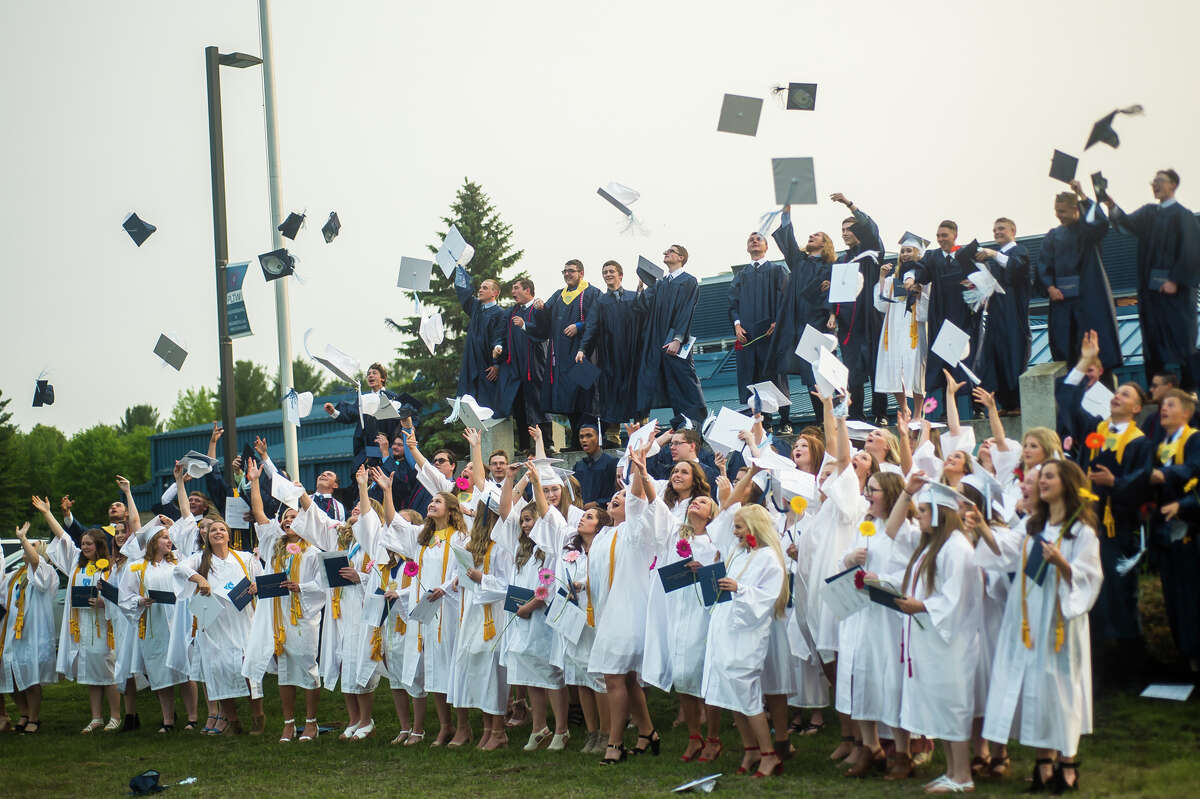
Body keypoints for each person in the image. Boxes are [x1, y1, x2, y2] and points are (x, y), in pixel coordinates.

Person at [980, 460, 1102, 794]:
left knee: (1062, 687)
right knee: (1037, 687)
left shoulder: (1082, 531)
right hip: (1031, 618)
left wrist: (1063, 565)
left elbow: (1091, 577)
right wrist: (981, 528)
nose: (1041, 482)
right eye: (1041, 477)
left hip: (1062, 618)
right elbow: (1005, 551)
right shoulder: (1033, 526)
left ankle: (1068, 762)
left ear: (1067, 483)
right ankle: (1043, 761)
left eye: (1049, 476)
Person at [889, 474, 984, 794]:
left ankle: (963, 776)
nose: (919, 516)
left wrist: (921, 605)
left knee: (953, 706)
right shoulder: (935, 545)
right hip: (932, 637)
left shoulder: (957, 548)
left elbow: (953, 599)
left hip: (951, 640)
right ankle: (952, 771)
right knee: (943, 706)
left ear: (941, 513)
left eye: (925, 511)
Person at [700, 499, 789, 779]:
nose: (735, 532)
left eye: (738, 527)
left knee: (747, 693)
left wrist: (740, 588)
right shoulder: (738, 553)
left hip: (747, 634)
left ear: (753, 527)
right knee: (730, 692)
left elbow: (767, 596)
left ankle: (769, 754)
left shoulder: (769, 558)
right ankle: (749, 748)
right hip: (725, 629)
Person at [243, 459, 326, 743]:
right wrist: (255, 480)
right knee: (285, 671)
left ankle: (311, 722)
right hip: (278, 617)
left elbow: (322, 586)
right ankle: (289, 723)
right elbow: (258, 512)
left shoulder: (313, 551)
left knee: (307, 666)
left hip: (302, 616)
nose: (288, 521)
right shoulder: (274, 544)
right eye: (285, 518)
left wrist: (300, 587)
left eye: (294, 517)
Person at [379, 486, 469, 747]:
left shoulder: (461, 536)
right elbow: (393, 521)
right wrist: (387, 491)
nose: (431, 504)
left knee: (451, 667)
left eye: (438, 501)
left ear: (451, 509)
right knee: (432, 669)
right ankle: (445, 727)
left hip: (448, 608)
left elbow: (463, 569)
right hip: (426, 610)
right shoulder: (421, 537)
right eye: (431, 500)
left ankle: (463, 726)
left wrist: (446, 585)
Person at [1103, 169, 1200, 388]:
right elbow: (1126, 224)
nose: (1154, 185)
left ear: (1173, 185)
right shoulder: (1149, 213)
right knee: (1153, 339)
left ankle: (1187, 389)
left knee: (1181, 339)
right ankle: (1156, 387)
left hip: (1176, 295)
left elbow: (1192, 251)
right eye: (1153, 181)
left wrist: (1175, 279)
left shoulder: (1184, 216)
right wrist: (1111, 205)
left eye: (1159, 181)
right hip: (1151, 293)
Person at [36, 494, 124, 732]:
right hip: (82, 626)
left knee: (108, 671)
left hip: (104, 627)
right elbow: (64, 538)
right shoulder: (76, 564)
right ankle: (96, 717)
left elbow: (121, 597)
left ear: (98, 545)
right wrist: (48, 513)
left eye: (89, 544)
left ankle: (115, 716)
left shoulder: (111, 568)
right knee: (89, 673)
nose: (84, 547)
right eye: (83, 544)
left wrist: (105, 604)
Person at [1036, 180, 1122, 377]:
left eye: (1063, 211)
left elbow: (1101, 222)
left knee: (1095, 346)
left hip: (1089, 299)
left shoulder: (1088, 232)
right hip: (1063, 304)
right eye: (1057, 211)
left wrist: (1082, 194)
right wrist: (1049, 287)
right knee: (1067, 348)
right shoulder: (1053, 236)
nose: (1059, 215)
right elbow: (1043, 265)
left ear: (1076, 209)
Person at [1148, 388, 1200, 679]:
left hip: (1190, 528)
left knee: (1191, 594)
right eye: (1162, 405)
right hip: (1166, 533)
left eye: (1171, 404)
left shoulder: (1194, 439)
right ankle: (1184, 657)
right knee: (1174, 596)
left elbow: (1195, 468)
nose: (1163, 409)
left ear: (1187, 412)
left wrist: (1165, 476)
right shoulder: (1162, 444)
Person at [770, 207, 835, 420]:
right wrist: (786, 215)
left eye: (817, 235)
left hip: (820, 323)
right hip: (798, 325)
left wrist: (832, 303)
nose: (811, 236)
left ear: (825, 244)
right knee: (809, 376)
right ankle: (820, 419)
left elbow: (840, 293)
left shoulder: (832, 267)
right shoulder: (799, 262)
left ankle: (832, 418)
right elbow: (788, 241)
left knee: (823, 373)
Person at [528, 259, 601, 448]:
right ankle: (577, 441)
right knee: (570, 399)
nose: (567, 274)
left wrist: (579, 326)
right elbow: (545, 319)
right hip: (562, 356)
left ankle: (590, 442)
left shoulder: (592, 293)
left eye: (572, 271)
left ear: (581, 273)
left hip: (584, 354)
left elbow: (599, 320)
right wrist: (540, 308)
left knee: (585, 399)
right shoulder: (559, 295)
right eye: (565, 271)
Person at [634, 245, 707, 427]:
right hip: (658, 341)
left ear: (681, 257)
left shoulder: (688, 281)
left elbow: (686, 311)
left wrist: (677, 338)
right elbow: (644, 307)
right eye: (665, 251)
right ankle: (681, 421)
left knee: (685, 379)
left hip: (675, 340)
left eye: (671, 251)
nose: (665, 253)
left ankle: (697, 419)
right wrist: (640, 292)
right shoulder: (661, 283)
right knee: (670, 382)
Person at [910, 220, 977, 415]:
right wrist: (912, 279)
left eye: (944, 235)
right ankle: (940, 410)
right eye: (938, 236)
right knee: (939, 361)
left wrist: (974, 283)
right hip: (940, 315)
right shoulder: (933, 257)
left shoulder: (965, 255)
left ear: (955, 235)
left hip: (961, 316)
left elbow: (981, 279)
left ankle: (970, 408)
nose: (940, 239)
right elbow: (920, 271)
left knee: (962, 360)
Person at [830, 192, 886, 423]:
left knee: (876, 367)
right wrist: (833, 314)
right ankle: (856, 415)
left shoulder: (872, 251)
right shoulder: (841, 261)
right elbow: (836, 293)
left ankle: (880, 413)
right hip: (848, 322)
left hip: (871, 317)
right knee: (852, 372)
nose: (845, 233)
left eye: (849, 229)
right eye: (842, 230)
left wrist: (849, 204)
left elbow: (871, 228)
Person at [0, 522, 57, 735]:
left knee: (31, 678)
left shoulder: (46, 572)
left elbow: (35, 561)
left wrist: (22, 539)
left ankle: (34, 718)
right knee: (12, 675)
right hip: (14, 634)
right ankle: (23, 713)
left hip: (33, 634)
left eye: (32, 544)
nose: (27, 548)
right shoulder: (15, 575)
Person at [729, 232, 789, 432]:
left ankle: (784, 421)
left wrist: (777, 323)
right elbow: (733, 304)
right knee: (752, 377)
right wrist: (737, 324)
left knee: (774, 375)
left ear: (766, 247)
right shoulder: (741, 276)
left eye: (758, 239)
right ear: (747, 248)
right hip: (747, 335)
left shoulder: (777, 271)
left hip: (770, 333)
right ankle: (764, 423)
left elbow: (785, 301)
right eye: (750, 240)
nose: (754, 241)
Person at [579, 260, 642, 446]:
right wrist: (582, 349)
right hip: (610, 355)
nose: (608, 274)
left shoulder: (634, 297)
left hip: (632, 354)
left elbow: (646, 322)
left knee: (636, 392)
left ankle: (642, 432)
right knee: (610, 395)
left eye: (611, 271)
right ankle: (613, 436)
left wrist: (642, 295)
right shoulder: (600, 302)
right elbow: (591, 327)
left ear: (620, 275)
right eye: (604, 272)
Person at [973, 219, 1032, 414]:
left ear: (1013, 230)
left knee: (1014, 354)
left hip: (1013, 312)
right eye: (994, 230)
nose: (997, 232)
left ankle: (1018, 403)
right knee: (997, 355)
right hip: (996, 312)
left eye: (1001, 229)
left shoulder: (1019, 252)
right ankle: (1006, 403)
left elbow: (1016, 268)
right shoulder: (995, 260)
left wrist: (993, 254)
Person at [874, 236, 929, 417]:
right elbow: (880, 304)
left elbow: (930, 305)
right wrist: (882, 278)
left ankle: (918, 412)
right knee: (894, 366)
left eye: (909, 251)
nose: (905, 254)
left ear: (918, 253)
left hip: (914, 328)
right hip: (894, 327)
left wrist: (919, 292)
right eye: (903, 251)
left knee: (915, 368)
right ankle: (903, 406)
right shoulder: (893, 280)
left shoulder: (925, 277)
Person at [495, 277, 551, 452]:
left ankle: (547, 443)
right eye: (512, 289)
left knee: (538, 403)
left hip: (535, 364)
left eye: (516, 288)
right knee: (519, 405)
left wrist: (525, 325)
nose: (513, 292)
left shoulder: (539, 308)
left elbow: (543, 331)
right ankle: (525, 446)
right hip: (515, 367)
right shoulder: (511, 312)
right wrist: (498, 346)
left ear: (528, 290)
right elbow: (501, 334)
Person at [323, 362, 403, 468]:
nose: (370, 375)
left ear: (382, 378)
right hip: (365, 448)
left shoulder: (392, 398)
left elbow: (401, 420)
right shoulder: (363, 399)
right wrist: (334, 412)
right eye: (368, 373)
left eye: (374, 373)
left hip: (386, 445)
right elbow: (351, 415)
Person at [452, 264, 506, 409]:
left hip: (487, 366)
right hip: (471, 363)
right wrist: (460, 269)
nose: (480, 290)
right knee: (470, 402)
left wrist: (497, 364)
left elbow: (500, 338)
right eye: (480, 287)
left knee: (486, 405)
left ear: (495, 293)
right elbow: (463, 293)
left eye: (485, 288)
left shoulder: (500, 314)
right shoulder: (476, 308)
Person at [573, 422, 617, 505]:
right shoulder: (578, 466)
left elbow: (618, 493)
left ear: (599, 438)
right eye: (581, 437)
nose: (584, 440)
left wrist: (598, 503)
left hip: (605, 514)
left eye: (589, 436)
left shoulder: (611, 463)